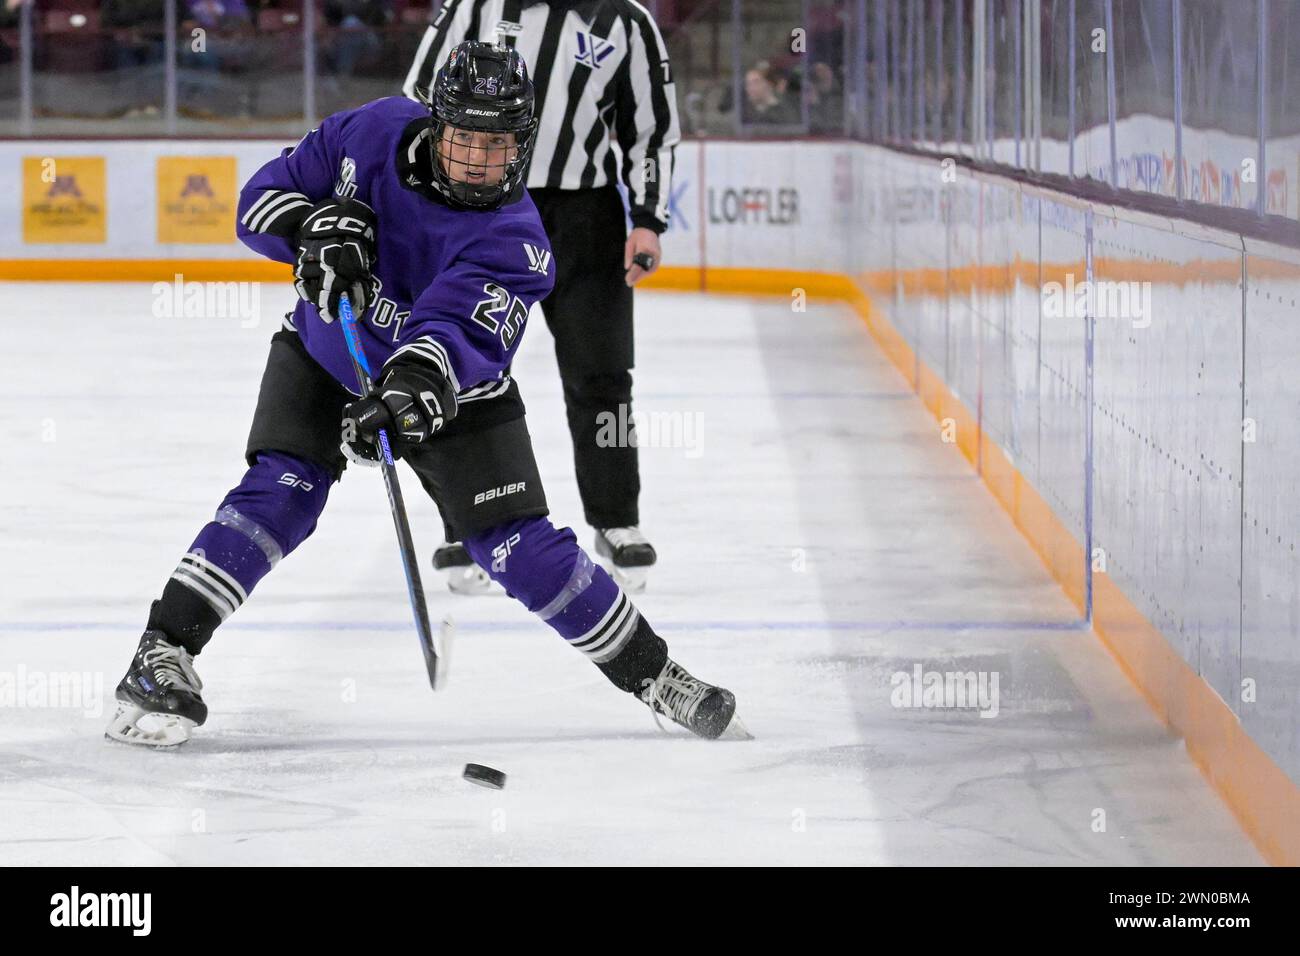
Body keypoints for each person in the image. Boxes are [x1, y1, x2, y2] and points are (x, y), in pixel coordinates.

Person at [105, 40, 742, 748]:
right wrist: (310, 227)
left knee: (520, 547)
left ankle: (655, 674)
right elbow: (259, 200)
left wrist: (407, 396)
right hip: (323, 357)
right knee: (282, 489)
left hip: (455, 394)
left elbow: (449, 340)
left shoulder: (516, 240)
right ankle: (162, 651)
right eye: (465, 139)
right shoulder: (370, 131)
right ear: (437, 125)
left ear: (523, 146)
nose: (477, 160)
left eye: (496, 146)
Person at [404, 0, 681, 595]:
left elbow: (649, 129)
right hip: (481, 211)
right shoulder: (472, 7)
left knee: (602, 374)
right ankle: (465, 524)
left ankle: (616, 518)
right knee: (460, 365)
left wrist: (649, 220)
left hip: (585, 217)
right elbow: (418, 103)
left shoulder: (624, 22)